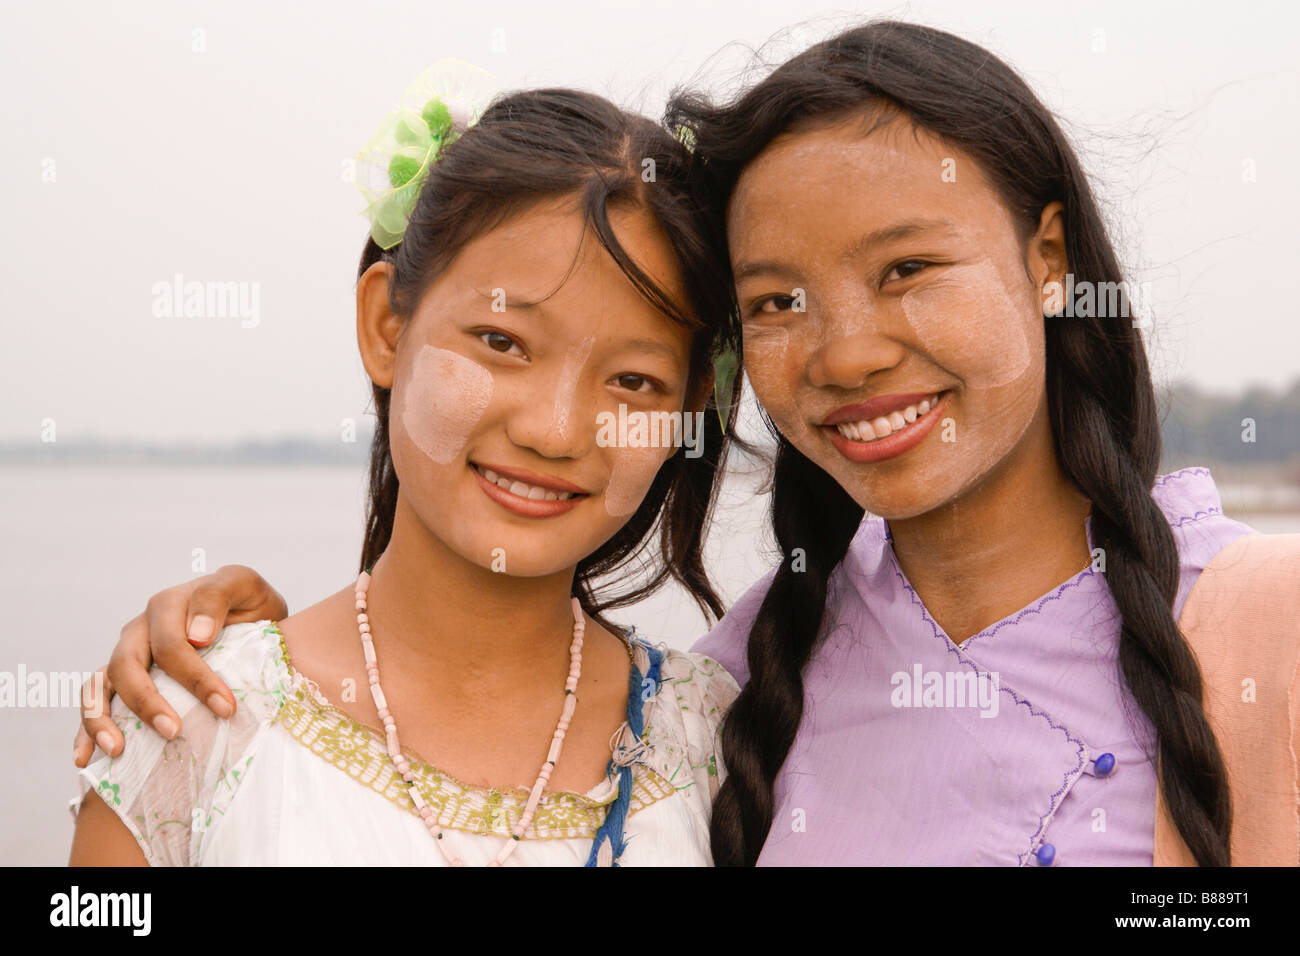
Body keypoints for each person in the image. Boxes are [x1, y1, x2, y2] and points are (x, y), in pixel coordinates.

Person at [76, 23, 1300, 867]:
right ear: (384, 323)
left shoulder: (1260, 628)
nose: (851, 353)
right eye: (775, 300)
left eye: (909, 267)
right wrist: (236, 650)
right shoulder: (756, 690)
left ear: (1048, 262)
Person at [68, 66, 741, 866]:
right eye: (502, 342)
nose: (557, 431)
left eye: (633, 381)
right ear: (387, 325)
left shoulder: (718, 750)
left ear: (688, 409)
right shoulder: (193, 723)